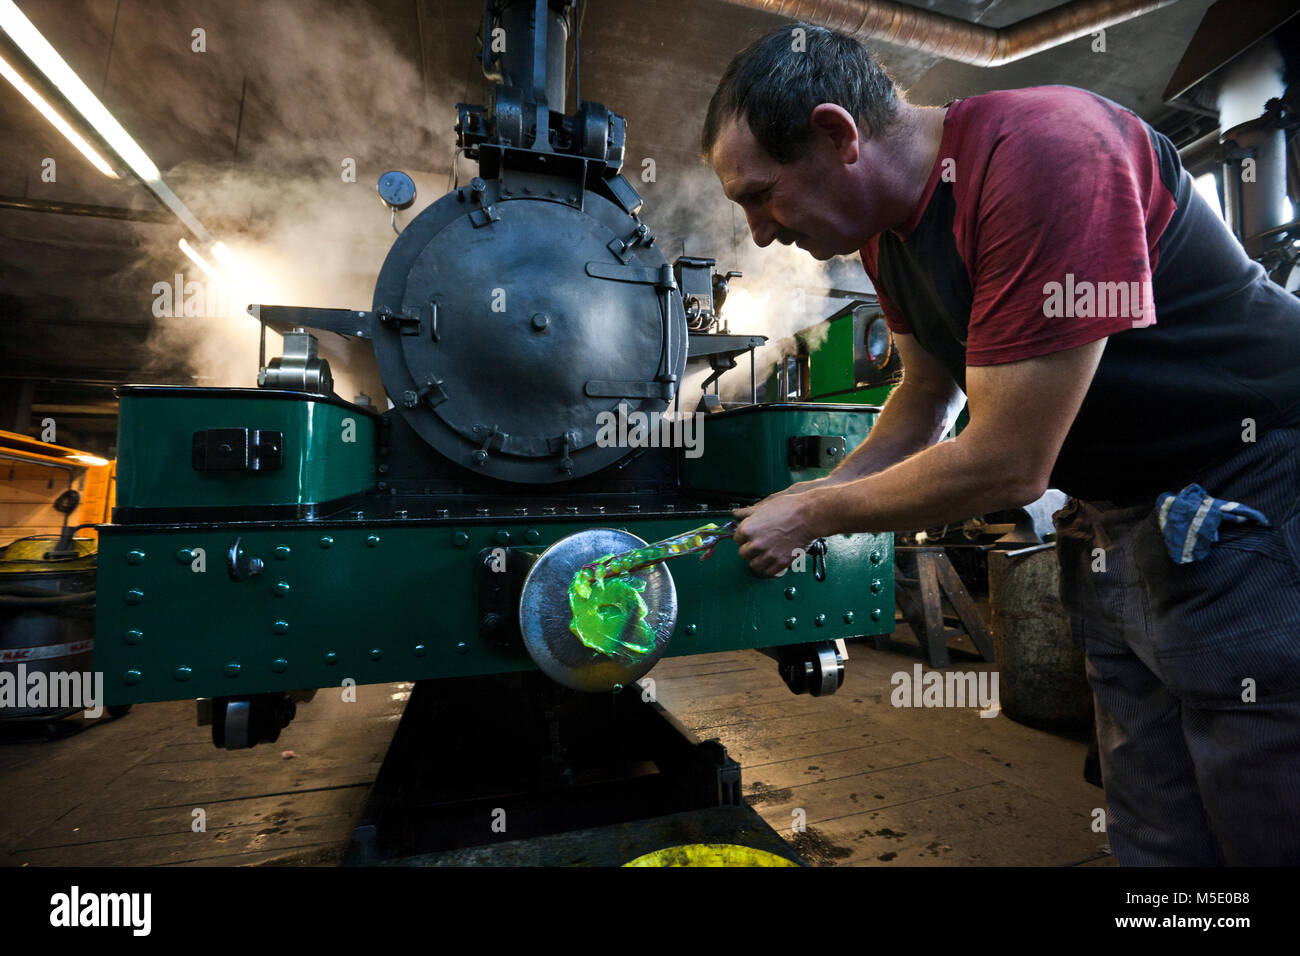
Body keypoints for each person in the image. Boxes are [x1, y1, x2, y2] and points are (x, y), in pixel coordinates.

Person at [703, 23, 1300, 866]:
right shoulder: (886, 236)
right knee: (1155, 820)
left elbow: (1011, 463)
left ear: (839, 136)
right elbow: (922, 398)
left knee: (1265, 809)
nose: (760, 231)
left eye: (761, 195)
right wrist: (805, 500)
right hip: (1124, 518)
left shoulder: (1046, 152)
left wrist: (812, 515)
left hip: (1257, 491)